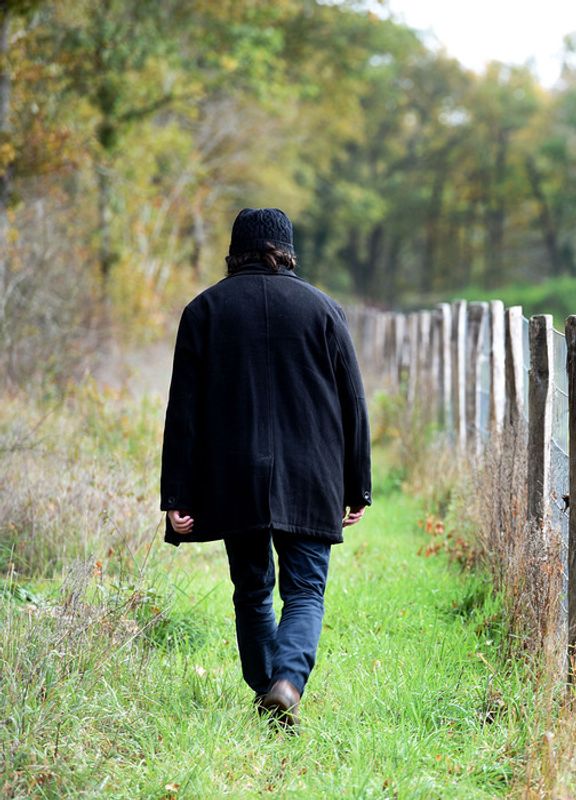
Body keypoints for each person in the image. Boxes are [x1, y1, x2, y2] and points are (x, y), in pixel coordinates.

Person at [159, 207, 371, 726]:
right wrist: (356, 485)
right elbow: (353, 403)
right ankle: (286, 684)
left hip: (234, 476)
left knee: (252, 590)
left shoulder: (203, 311)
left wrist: (177, 494)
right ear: (288, 251)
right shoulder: (324, 310)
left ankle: (267, 690)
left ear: (234, 253)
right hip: (312, 475)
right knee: (304, 590)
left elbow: (182, 412)